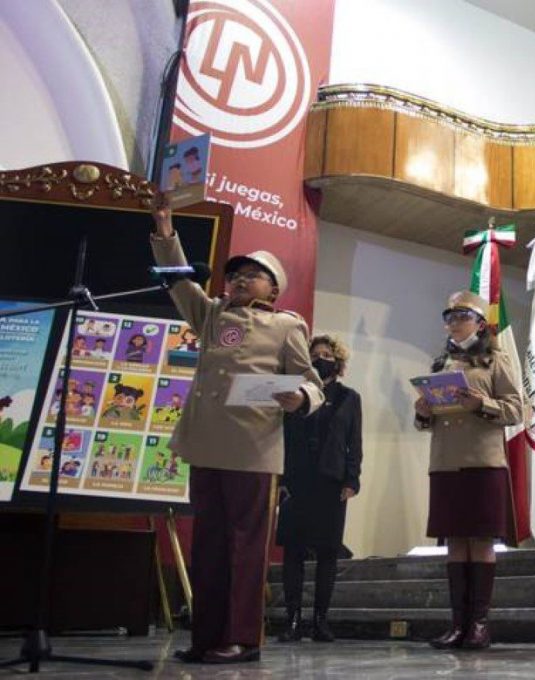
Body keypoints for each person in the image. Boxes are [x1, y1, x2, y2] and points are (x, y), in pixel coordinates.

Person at [150, 195, 325, 664]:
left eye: (252, 274)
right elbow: (178, 283)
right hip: (206, 446)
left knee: (245, 548)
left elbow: (312, 383)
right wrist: (166, 230)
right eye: (235, 274)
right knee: (208, 544)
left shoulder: (286, 326)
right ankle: (207, 636)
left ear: (273, 289)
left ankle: (242, 639)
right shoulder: (211, 316)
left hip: (253, 450)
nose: (239, 279)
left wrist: (301, 398)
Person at [413, 291, 523, 651]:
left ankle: (479, 624)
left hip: (482, 461)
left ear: (480, 322)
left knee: (480, 539)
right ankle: (457, 624)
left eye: (462, 315)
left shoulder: (496, 359)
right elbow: (427, 422)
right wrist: (423, 413)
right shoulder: (440, 362)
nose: (454, 321)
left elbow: (516, 410)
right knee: (454, 542)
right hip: (445, 462)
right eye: (450, 316)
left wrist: (481, 404)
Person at [277, 334, 363, 643]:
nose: (320, 358)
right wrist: (279, 480)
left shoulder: (349, 398)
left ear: (337, 363)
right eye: (315, 354)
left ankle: (320, 621)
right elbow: (280, 437)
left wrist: (352, 479)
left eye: (327, 354)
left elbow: (354, 441)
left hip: (331, 481)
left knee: (328, 553)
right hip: (296, 481)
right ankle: (293, 621)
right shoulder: (291, 394)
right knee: (293, 552)